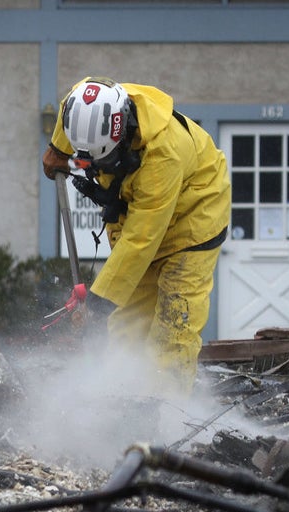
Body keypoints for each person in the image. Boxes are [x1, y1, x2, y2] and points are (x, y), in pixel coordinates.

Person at [42, 77, 230, 393]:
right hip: (143, 216)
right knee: (126, 323)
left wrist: (97, 301)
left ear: (123, 132)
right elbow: (66, 110)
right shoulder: (89, 98)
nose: (98, 167)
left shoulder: (163, 155)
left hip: (194, 217)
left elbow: (142, 239)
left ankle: (169, 414)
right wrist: (58, 148)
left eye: (104, 159)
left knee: (174, 322)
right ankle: (120, 397)